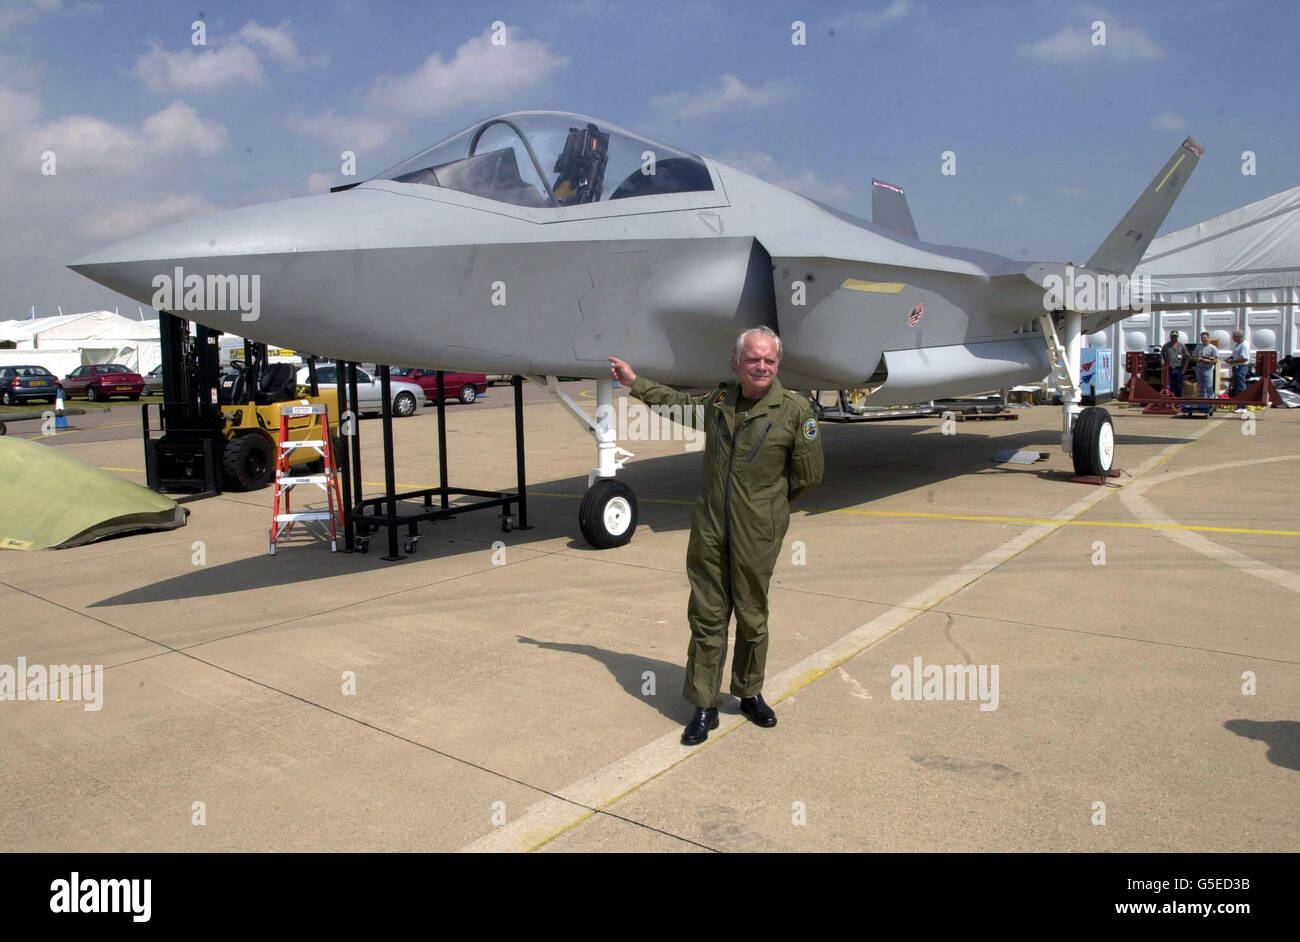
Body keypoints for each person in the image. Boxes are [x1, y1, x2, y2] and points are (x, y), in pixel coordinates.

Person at [608, 327, 825, 745]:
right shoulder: (720, 402)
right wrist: (636, 383)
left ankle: (750, 692)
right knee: (707, 616)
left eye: (769, 360)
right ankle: (704, 704)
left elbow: (808, 476)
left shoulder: (795, 412)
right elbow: (679, 406)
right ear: (736, 362)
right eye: (753, 359)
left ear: (777, 364)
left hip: (757, 532)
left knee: (752, 615)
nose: (761, 366)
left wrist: (766, 510)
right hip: (710, 528)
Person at [1160, 330, 1189, 397]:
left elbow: (1187, 357)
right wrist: (1162, 363)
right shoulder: (1166, 346)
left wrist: (1184, 369)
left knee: (1179, 386)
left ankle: (1179, 400)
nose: (1174, 338)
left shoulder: (1182, 346)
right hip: (1169, 369)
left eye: (1175, 336)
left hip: (1179, 369)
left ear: (1177, 337)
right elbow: (1161, 356)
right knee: (1169, 386)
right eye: (1172, 336)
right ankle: (1170, 400)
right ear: (1170, 337)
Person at [1226, 329, 1252, 396]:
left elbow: (1245, 358)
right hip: (1236, 367)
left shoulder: (1244, 345)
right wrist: (1230, 358)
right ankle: (1237, 397)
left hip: (1241, 367)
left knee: (1240, 384)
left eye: (1234, 337)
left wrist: (1233, 361)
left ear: (1238, 337)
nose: (1233, 338)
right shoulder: (1238, 344)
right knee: (1236, 384)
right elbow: (1236, 354)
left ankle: (1242, 399)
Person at [1195, 331, 1219, 398]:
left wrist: (1205, 360)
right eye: (1202, 338)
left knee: (1209, 386)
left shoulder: (1213, 348)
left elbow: (1216, 360)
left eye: (1204, 338)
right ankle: (1203, 400)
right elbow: (1194, 356)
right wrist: (1196, 359)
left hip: (1208, 369)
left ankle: (1211, 400)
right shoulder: (1198, 347)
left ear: (1208, 338)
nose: (1203, 339)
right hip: (1199, 369)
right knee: (1201, 386)